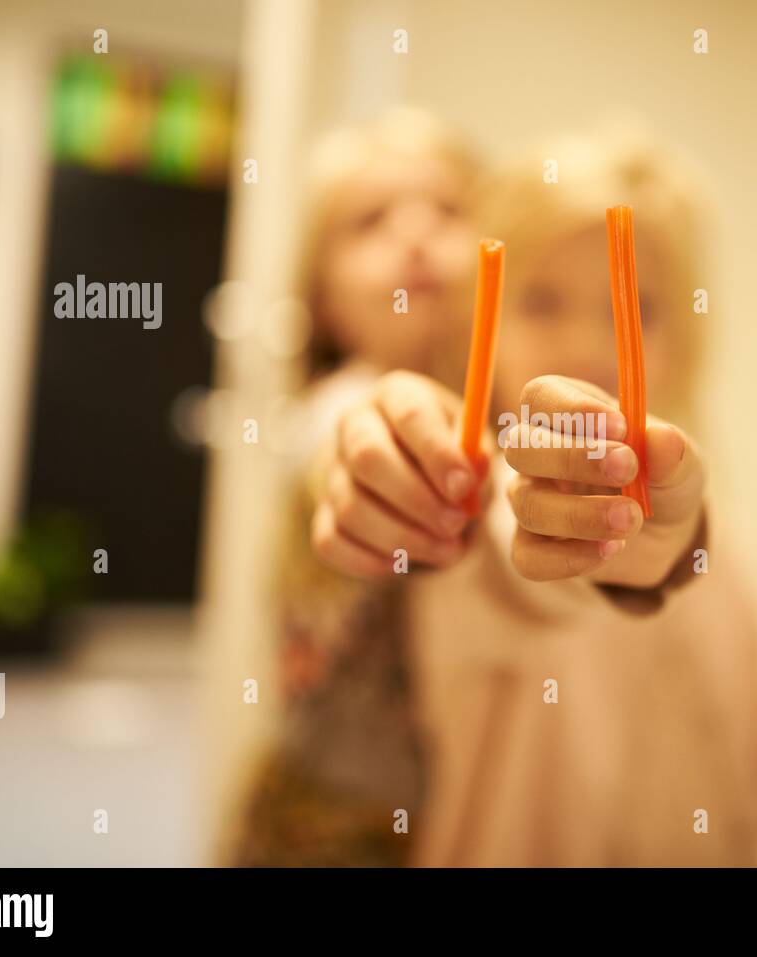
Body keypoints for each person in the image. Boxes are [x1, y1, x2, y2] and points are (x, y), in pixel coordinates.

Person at [309, 130, 757, 866]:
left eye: (632, 308)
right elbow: (523, 570)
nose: (586, 342)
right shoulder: (472, 513)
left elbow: (754, 797)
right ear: (479, 326)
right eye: (543, 301)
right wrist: (614, 545)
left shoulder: (722, 550)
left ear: (684, 341)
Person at [231, 108, 478, 866]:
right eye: (370, 220)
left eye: (448, 209)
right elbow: (347, 442)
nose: (415, 231)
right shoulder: (336, 409)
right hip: (334, 823)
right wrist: (374, 456)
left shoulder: (498, 413)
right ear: (327, 302)